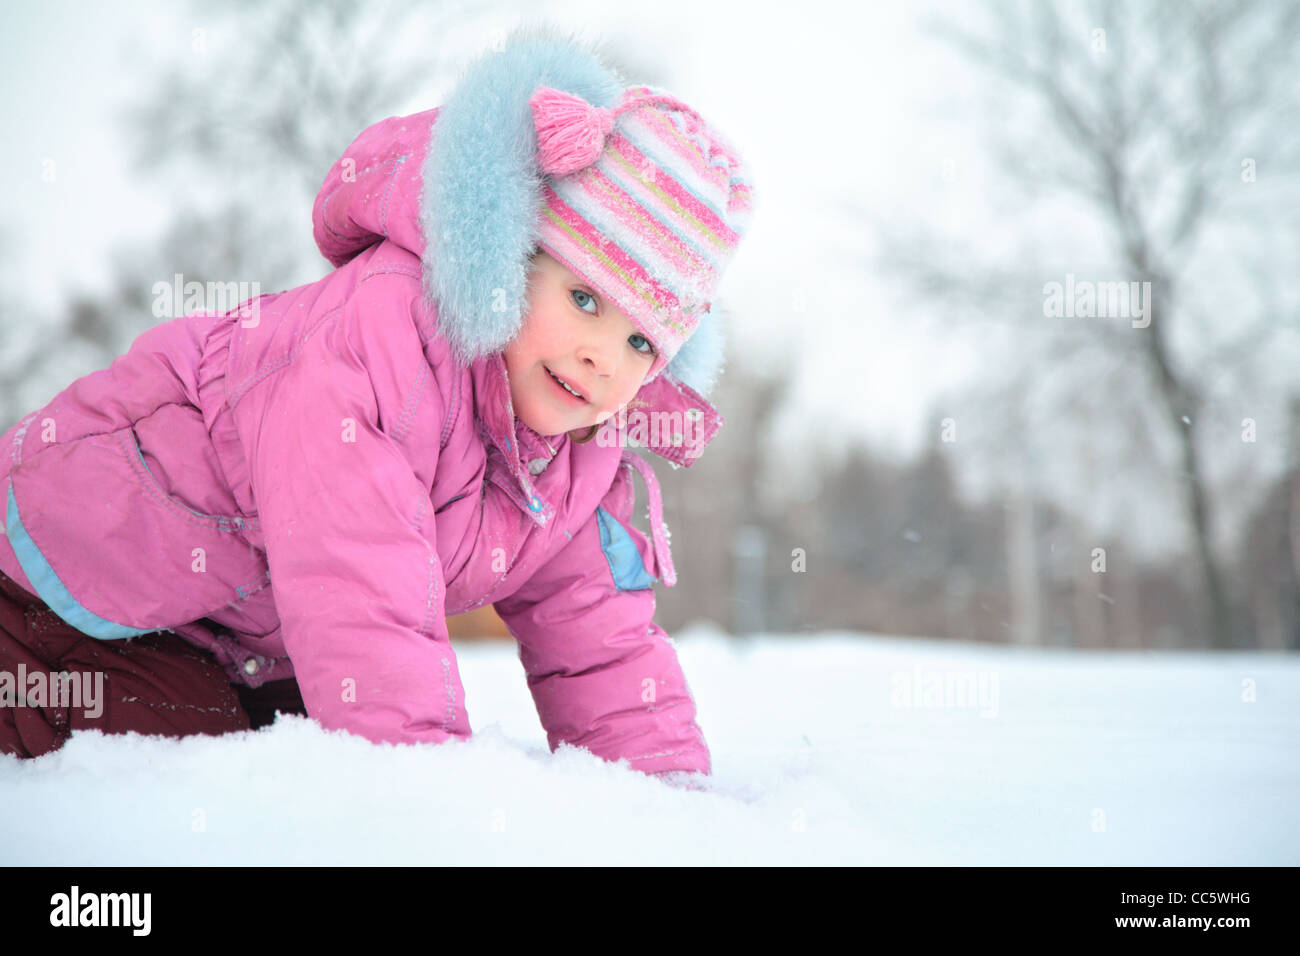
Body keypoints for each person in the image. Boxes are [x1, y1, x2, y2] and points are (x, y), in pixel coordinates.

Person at [0, 24, 756, 786]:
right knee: (200, 765)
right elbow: (358, 588)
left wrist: (668, 803)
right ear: (510, 259)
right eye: (585, 297)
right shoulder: (378, 347)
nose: (603, 357)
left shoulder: (575, 454)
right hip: (67, 592)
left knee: (278, 749)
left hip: (232, 638)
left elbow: (601, 643)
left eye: (642, 344)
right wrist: (419, 805)